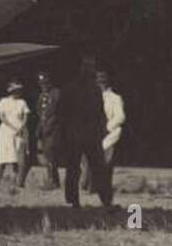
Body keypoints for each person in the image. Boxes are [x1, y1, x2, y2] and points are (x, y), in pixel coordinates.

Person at [62, 56, 114, 208]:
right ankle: (75, 201)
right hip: (79, 134)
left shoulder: (93, 90)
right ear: (81, 68)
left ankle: (105, 200)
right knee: (76, 168)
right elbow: (62, 113)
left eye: (92, 67)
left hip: (89, 135)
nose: (90, 70)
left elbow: (100, 113)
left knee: (96, 168)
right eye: (87, 66)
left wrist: (101, 131)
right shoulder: (72, 89)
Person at [18, 71, 61, 188]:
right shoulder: (42, 95)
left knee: (51, 155)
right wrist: (41, 127)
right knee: (45, 155)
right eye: (41, 83)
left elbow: (55, 111)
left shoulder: (55, 93)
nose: (43, 85)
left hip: (53, 129)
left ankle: (53, 181)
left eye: (45, 83)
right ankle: (52, 180)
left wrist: (48, 124)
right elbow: (39, 111)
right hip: (42, 129)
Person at [0, 79, 29, 185]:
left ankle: (15, 179)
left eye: (19, 91)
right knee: (4, 154)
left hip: (19, 130)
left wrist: (21, 127)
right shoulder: (3, 101)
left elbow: (25, 117)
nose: (17, 93)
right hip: (7, 130)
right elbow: (2, 116)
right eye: (15, 91)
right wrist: (12, 127)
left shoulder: (22, 102)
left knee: (17, 156)